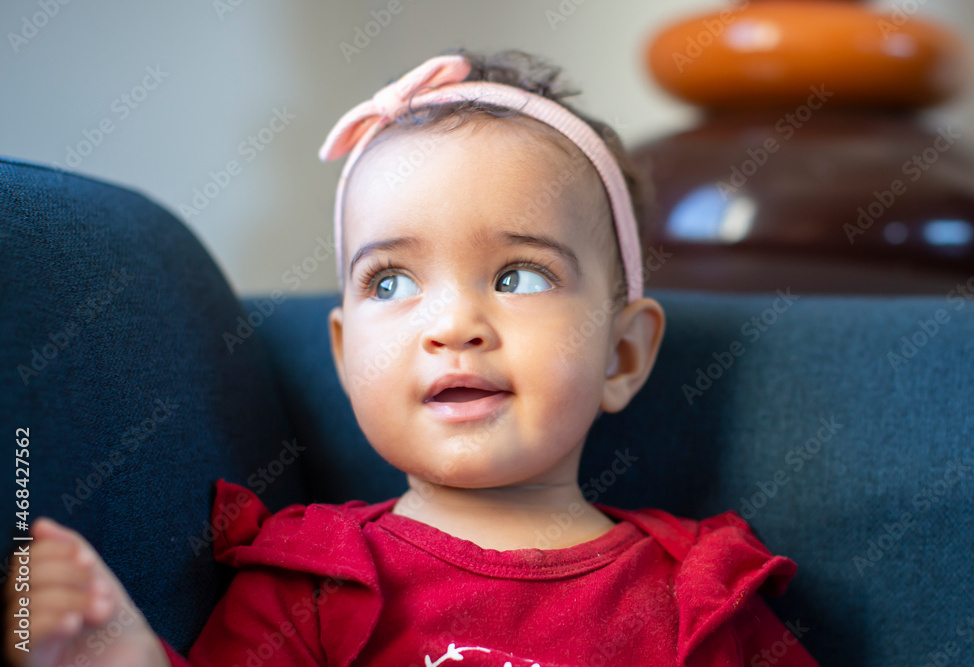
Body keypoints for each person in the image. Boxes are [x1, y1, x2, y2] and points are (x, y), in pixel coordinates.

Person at [3, 49, 819, 666]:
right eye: (390, 280)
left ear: (624, 353)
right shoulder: (316, 582)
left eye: (519, 274)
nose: (453, 323)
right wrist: (111, 648)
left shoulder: (700, 599)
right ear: (344, 349)